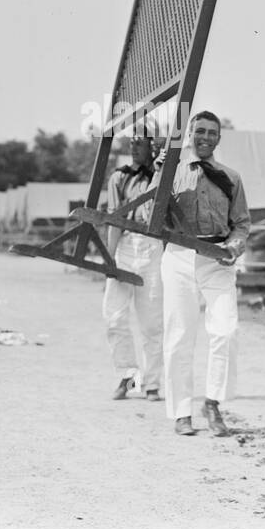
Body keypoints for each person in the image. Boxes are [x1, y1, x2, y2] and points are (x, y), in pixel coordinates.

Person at [158, 111, 250, 437]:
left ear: (219, 139)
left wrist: (233, 248)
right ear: (190, 134)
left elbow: (241, 224)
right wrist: (160, 175)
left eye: (212, 132)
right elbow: (150, 215)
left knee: (225, 330)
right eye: (199, 131)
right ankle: (181, 412)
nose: (205, 137)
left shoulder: (231, 177)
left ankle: (212, 402)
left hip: (217, 260)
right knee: (180, 335)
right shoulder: (170, 172)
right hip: (179, 257)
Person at [102, 133, 165, 401]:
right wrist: (110, 258)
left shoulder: (163, 173)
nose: (134, 147)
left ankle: (151, 384)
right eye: (132, 142)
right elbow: (114, 219)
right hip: (126, 245)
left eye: (141, 142)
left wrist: (162, 168)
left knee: (151, 322)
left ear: (153, 146)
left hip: (152, 247)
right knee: (114, 316)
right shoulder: (120, 177)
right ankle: (128, 377)